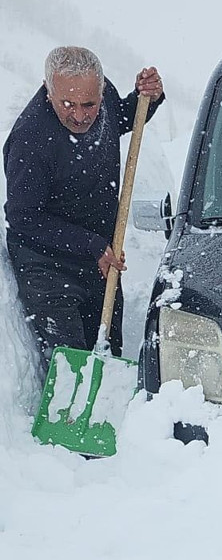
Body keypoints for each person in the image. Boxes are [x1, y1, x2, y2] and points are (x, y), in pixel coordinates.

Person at [3, 45, 164, 370]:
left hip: (98, 257)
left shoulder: (104, 103)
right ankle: (66, 416)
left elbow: (121, 118)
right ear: (49, 91)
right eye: (67, 104)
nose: (79, 115)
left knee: (106, 352)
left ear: (101, 91)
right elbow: (23, 218)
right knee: (69, 359)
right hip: (47, 264)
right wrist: (90, 244)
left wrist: (147, 98)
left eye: (89, 104)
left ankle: (115, 417)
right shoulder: (31, 140)